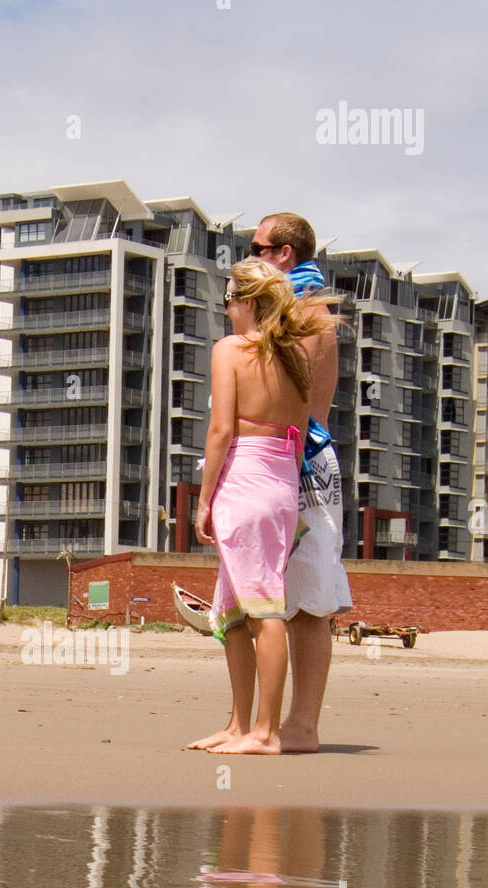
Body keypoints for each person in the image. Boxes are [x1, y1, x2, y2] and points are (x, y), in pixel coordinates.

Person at [187, 258, 338, 755]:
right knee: (232, 610)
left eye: (229, 299)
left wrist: (204, 499)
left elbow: (222, 431)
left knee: (265, 609)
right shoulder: (295, 356)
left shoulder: (230, 350)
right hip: (279, 481)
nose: (226, 308)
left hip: (244, 477)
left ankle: (266, 732)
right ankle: (238, 725)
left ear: (249, 302)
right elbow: (299, 436)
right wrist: (285, 497)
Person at [248, 213, 353, 751]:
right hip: (277, 460)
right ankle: (267, 722)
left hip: (302, 462)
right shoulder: (290, 311)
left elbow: (288, 397)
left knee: (309, 601)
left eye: (257, 247)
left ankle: (303, 724)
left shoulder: (308, 313)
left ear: (284, 253)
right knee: (264, 597)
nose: (251, 256)